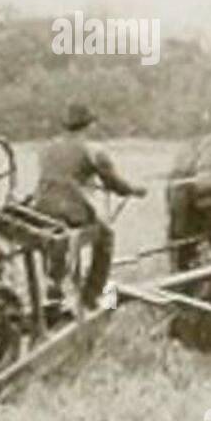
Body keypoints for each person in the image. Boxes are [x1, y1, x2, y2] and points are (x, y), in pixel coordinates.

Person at [32, 104, 147, 309]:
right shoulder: (93, 150)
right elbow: (114, 183)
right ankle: (91, 295)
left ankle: (54, 283)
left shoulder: (47, 147)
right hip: (69, 210)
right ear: (88, 126)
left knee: (55, 237)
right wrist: (134, 190)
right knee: (106, 236)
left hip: (41, 208)